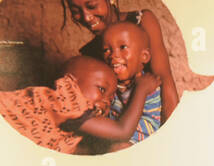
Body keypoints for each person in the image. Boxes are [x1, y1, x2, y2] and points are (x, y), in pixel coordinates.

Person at [0, 55, 158, 154]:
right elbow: (122, 131)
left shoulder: (69, 125)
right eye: (102, 89)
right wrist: (141, 90)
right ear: (70, 80)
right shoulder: (67, 98)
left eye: (111, 99)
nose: (106, 101)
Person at [64, 0, 178, 121]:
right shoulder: (89, 54)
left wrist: (171, 132)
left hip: (155, 122)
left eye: (92, 6)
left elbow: (165, 80)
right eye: (76, 11)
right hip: (124, 131)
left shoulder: (142, 21)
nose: (86, 17)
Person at [99, 20, 162, 146]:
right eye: (107, 50)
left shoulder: (148, 84)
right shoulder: (111, 83)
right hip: (116, 135)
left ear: (144, 56)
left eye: (123, 47)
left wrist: (141, 89)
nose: (113, 55)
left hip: (141, 140)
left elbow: (142, 130)